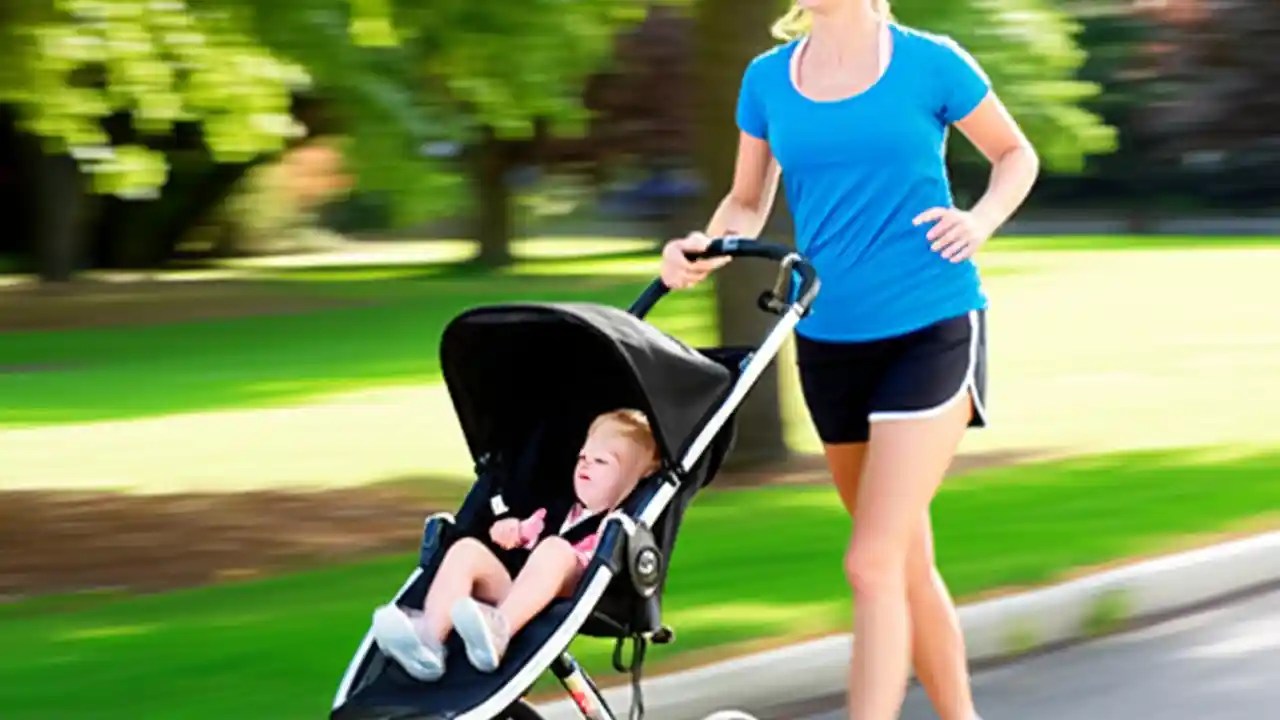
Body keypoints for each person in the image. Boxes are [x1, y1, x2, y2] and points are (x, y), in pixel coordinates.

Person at [659, 2, 1039, 719]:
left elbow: (1016, 154)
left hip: (930, 327)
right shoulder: (767, 79)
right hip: (828, 342)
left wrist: (979, 220)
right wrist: (702, 247)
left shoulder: (932, 62)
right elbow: (745, 202)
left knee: (871, 563)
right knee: (903, 563)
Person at [368, 408, 661, 680]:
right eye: (583, 457)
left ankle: (500, 630)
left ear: (635, 475)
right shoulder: (557, 511)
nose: (585, 465)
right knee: (466, 550)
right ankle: (430, 638)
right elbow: (526, 534)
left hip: (567, 598)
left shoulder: (620, 524)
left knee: (556, 549)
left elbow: (568, 557)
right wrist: (510, 531)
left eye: (601, 462)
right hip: (518, 594)